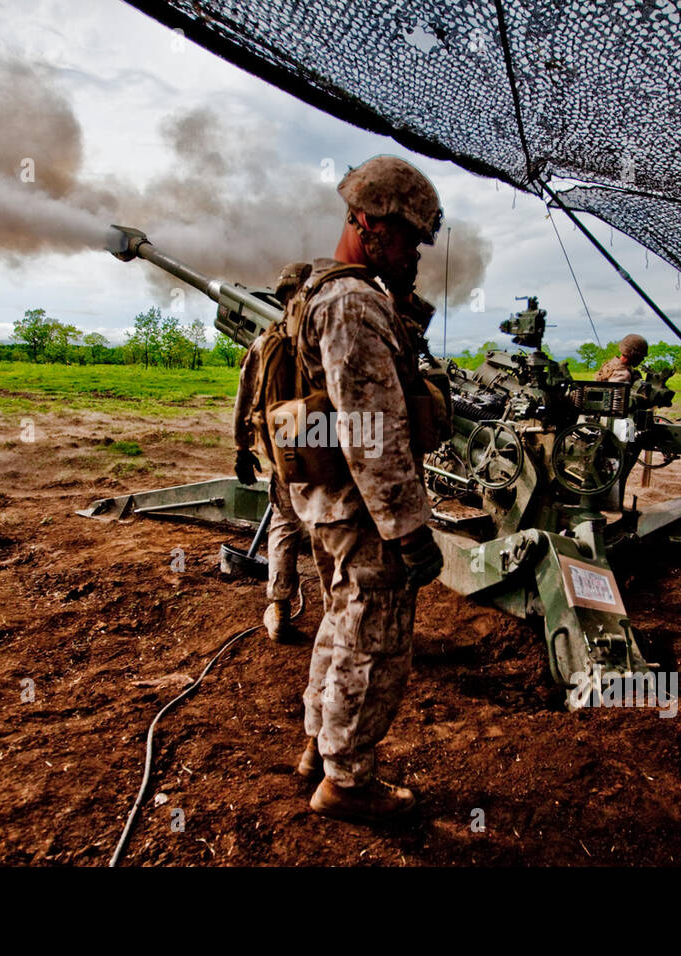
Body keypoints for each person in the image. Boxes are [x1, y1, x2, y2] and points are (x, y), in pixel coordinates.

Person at [286, 155, 445, 825]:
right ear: (368, 224)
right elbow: (371, 431)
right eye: (408, 237)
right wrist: (409, 531)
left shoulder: (325, 290)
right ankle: (348, 783)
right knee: (373, 644)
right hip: (364, 513)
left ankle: (319, 751)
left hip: (330, 505)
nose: (413, 253)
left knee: (340, 625)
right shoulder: (353, 301)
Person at [233, 262, 312, 643]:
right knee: (332, 532)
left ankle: (279, 612)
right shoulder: (328, 340)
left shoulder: (265, 344)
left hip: (285, 453)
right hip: (327, 450)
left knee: (284, 527)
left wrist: (242, 448)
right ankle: (340, 616)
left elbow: (244, 399)